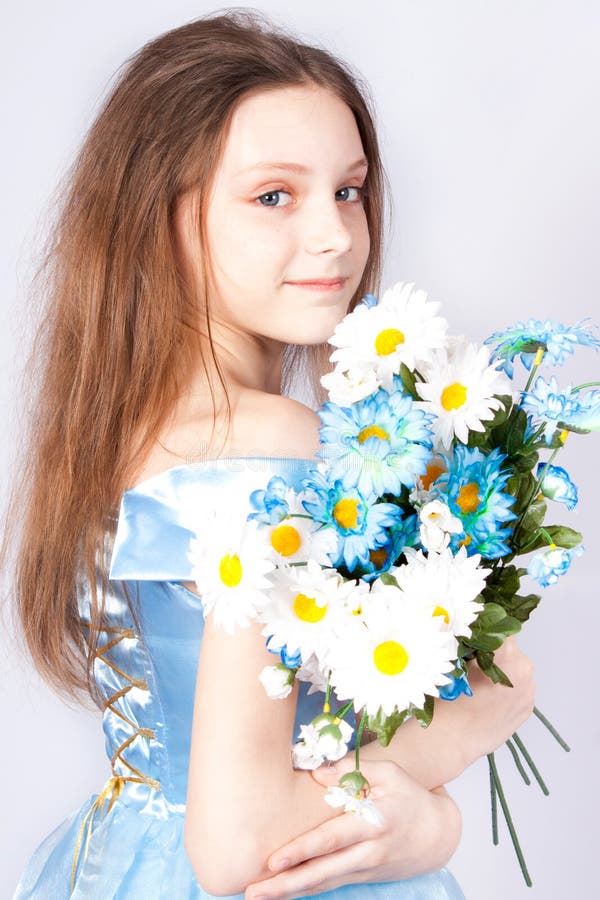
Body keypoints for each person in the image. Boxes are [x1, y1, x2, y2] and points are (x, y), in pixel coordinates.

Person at [4, 9, 535, 899]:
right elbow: (241, 845)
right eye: (274, 196)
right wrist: (472, 739)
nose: (335, 235)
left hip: (121, 861)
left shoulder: (115, 429)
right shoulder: (268, 448)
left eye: (349, 190)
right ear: (160, 218)